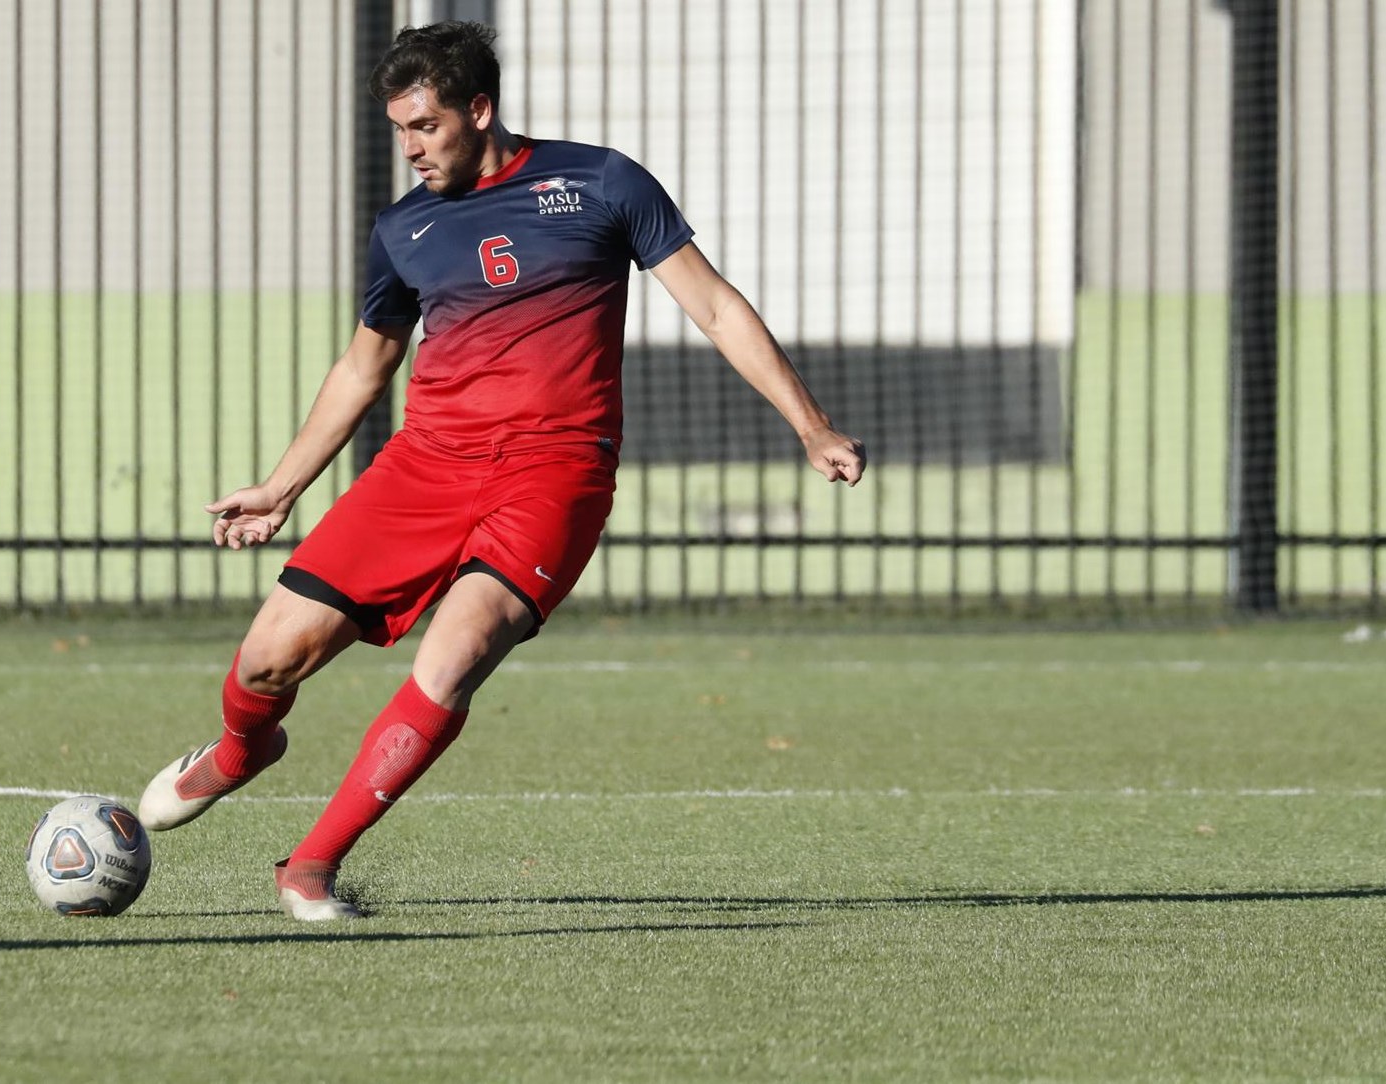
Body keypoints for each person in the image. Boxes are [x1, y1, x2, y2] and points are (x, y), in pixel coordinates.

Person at [137, 20, 866, 921]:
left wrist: (811, 425)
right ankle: (242, 750)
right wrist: (281, 487)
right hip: (426, 466)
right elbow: (367, 366)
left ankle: (310, 867)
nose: (409, 148)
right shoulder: (403, 228)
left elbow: (713, 306)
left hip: (555, 473)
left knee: (457, 655)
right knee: (268, 657)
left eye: (425, 126)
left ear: (479, 110)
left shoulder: (601, 184)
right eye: (399, 130)